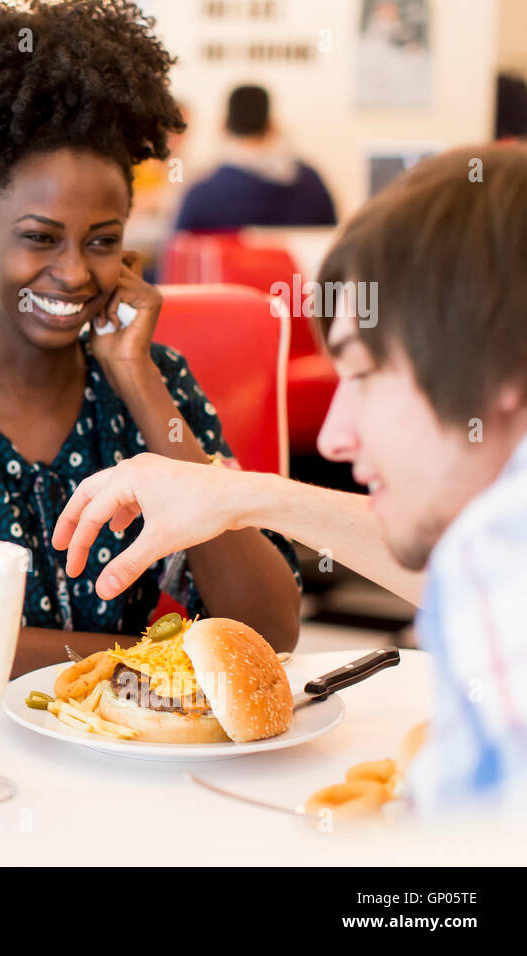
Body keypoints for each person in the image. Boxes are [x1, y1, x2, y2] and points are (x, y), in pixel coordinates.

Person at [0, 0, 302, 690]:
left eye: (102, 241)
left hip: (115, 759)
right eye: (40, 237)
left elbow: (267, 630)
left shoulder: (153, 386)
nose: (76, 272)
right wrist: (142, 653)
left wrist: (137, 379)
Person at [55, 144, 527, 812]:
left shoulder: (494, 559)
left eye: (363, 374)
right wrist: (243, 495)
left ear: (505, 375)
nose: (334, 436)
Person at [175, 85, 336, 231]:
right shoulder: (312, 184)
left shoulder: (203, 195)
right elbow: (331, 240)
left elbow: (175, 253)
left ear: (224, 126)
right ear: (271, 125)